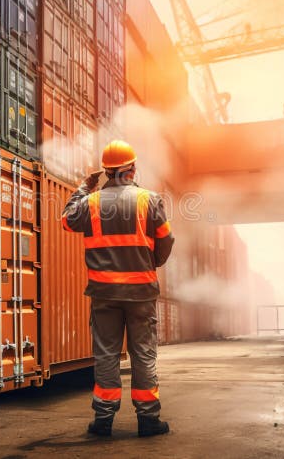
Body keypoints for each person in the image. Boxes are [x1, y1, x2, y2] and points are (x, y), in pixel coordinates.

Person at [61, 140, 175, 438]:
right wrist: (153, 263)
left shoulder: (91, 202)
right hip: (141, 293)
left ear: (106, 171)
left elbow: (66, 220)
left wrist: (84, 188)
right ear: (131, 168)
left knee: (106, 354)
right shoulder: (149, 200)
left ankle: (103, 420)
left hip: (104, 293)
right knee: (143, 353)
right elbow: (166, 240)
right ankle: (148, 420)